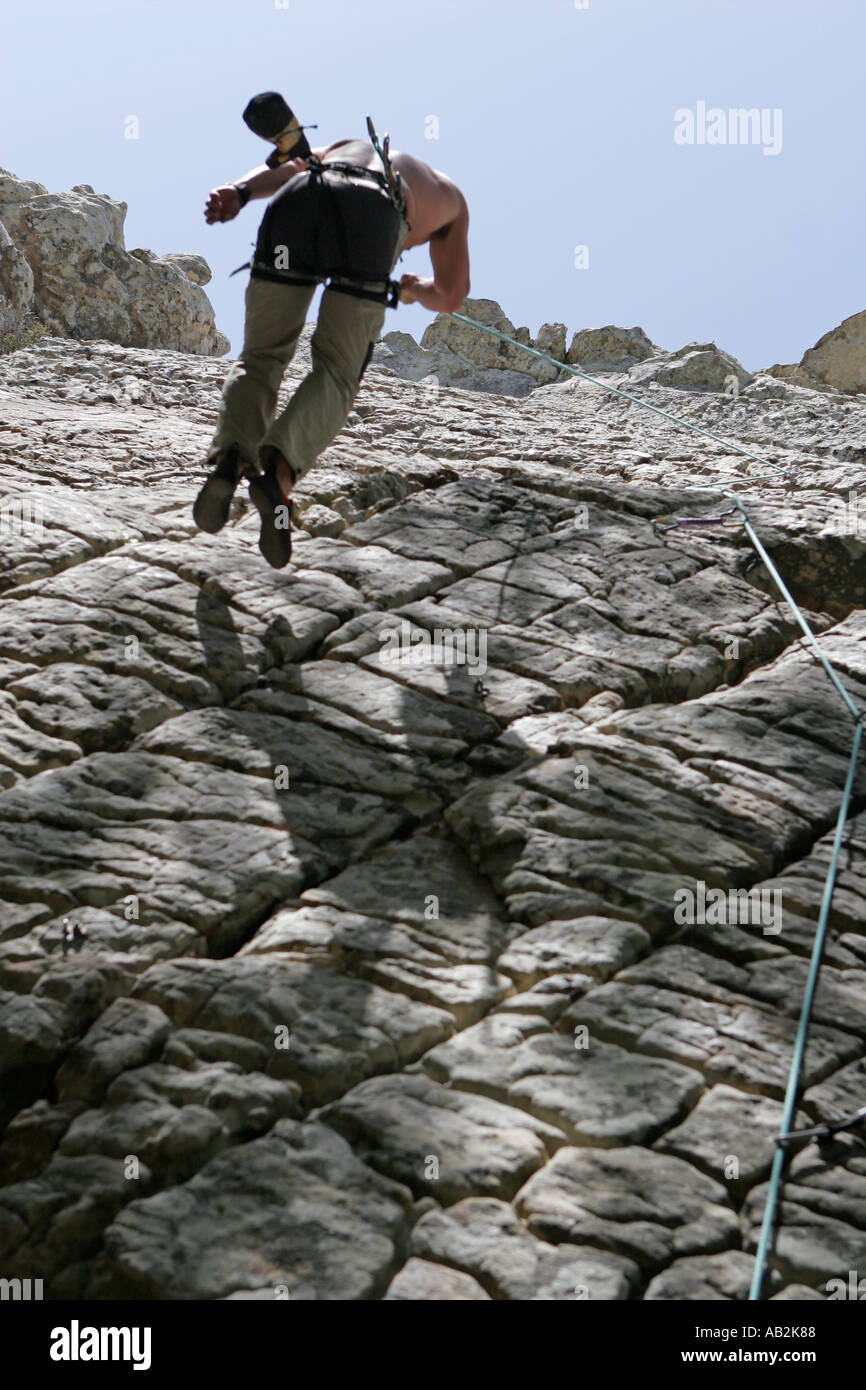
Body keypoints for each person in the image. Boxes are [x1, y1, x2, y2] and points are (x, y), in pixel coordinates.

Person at [193, 92, 471, 568]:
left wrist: (238, 192)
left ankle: (231, 458)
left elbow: (295, 167)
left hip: (301, 202)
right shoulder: (450, 199)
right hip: (374, 219)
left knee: (261, 357)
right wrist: (409, 289)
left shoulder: (344, 146)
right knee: (339, 372)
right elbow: (449, 295)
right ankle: (276, 480)